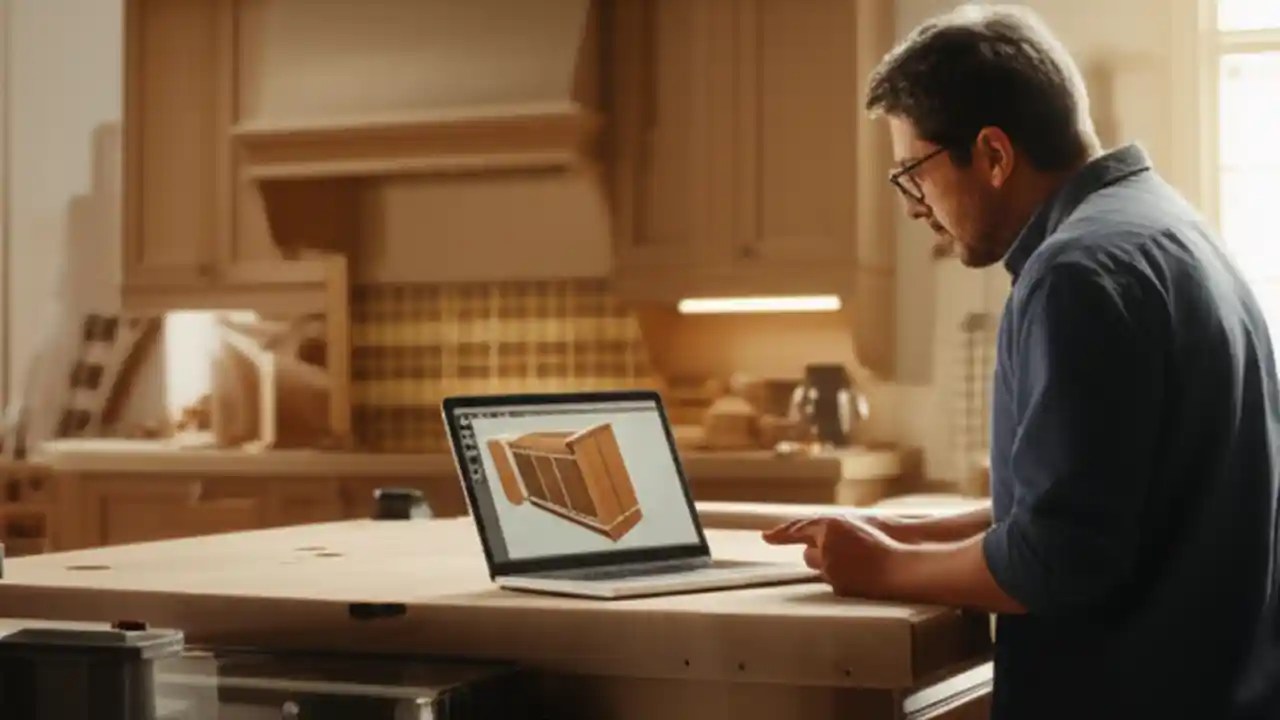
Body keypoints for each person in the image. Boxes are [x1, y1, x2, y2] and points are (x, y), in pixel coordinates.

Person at [762, 4, 1280, 718]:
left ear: (995, 155)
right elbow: (1102, 495)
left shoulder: (1074, 274)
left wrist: (881, 567)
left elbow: (1056, 561)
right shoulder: (1171, 229)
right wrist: (916, 531)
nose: (913, 205)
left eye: (913, 171)